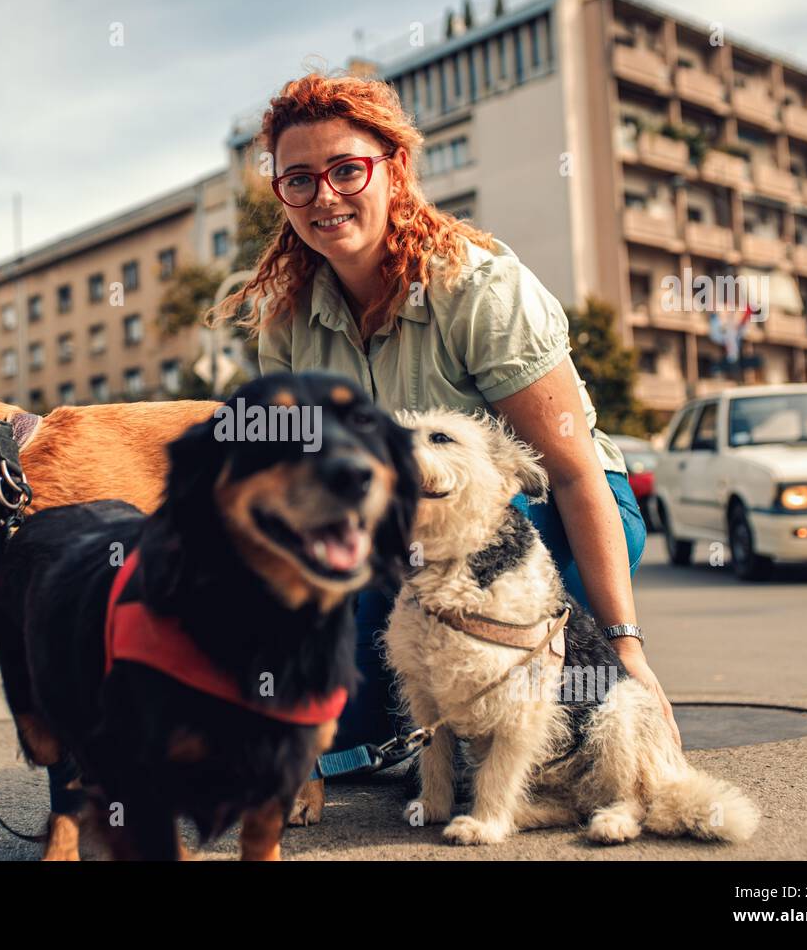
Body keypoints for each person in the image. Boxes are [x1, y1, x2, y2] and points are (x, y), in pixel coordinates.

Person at [216, 71, 680, 757]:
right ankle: (433, 723)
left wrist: (623, 650)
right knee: (348, 725)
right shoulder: (288, 327)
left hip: (551, 511)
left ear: (395, 168)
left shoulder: (481, 291)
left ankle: (567, 696)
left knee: (525, 699)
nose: (326, 196)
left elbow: (575, 475)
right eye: (300, 180)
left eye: (348, 170)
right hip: (406, 543)